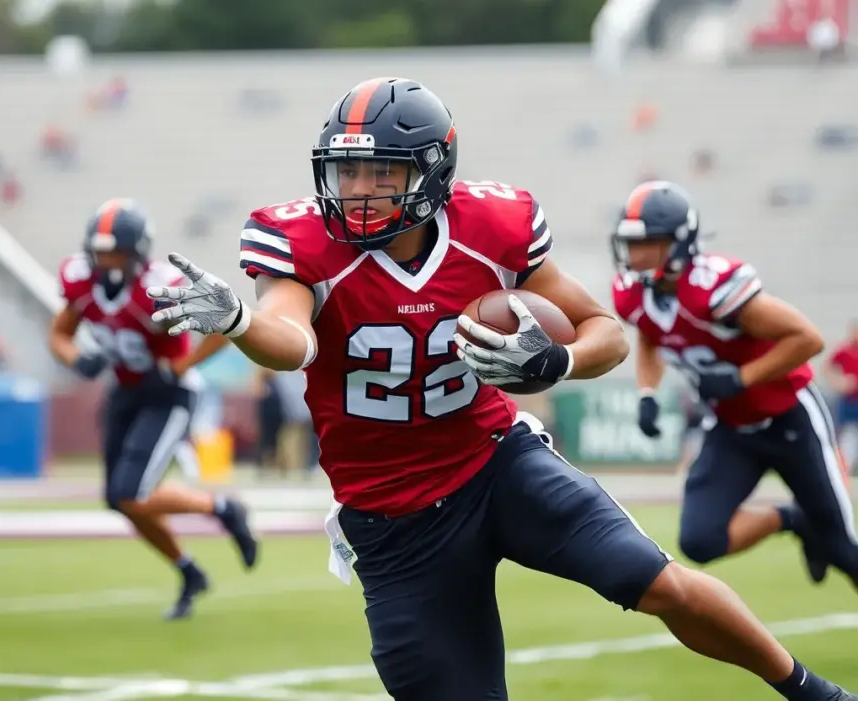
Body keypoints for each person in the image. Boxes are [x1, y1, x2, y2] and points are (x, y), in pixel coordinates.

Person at [148, 78, 856, 700]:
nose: (356, 190)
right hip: (391, 515)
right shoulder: (302, 242)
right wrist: (239, 321)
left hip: (497, 462)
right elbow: (291, 339)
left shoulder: (493, 227)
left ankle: (812, 691)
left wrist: (555, 364)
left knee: (656, 578)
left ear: (431, 172)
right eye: (348, 171)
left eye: (377, 172)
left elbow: (602, 328)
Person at [610, 181, 857, 589]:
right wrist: (647, 393)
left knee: (842, 547)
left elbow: (807, 338)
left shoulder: (712, 288)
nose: (633, 256)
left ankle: (817, 528)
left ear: (678, 242)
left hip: (789, 417)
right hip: (731, 428)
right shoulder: (633, 293)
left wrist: (742, 377)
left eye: (646, 243)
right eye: (630, 243)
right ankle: (791, 519)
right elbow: (650, 333)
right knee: (700, 539)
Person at [48, 198, 257, 619]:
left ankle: (223, 509)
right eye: (101, 251)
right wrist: (75, 358)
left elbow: (223, 322)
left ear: (137, 252)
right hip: (126, 392)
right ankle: (188, 569)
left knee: (132, 492)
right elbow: (60, 334)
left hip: (169, 393)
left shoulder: (155, 288)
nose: (107, 260)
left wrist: (181, 364)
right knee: (119, 499)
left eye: (116, 251)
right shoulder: (80, 282)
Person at [826, 322, 858, 473]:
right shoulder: (845, 351)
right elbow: (828, 367)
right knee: (848, 435)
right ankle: (846, 469)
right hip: (850, 401)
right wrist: (840, 382)